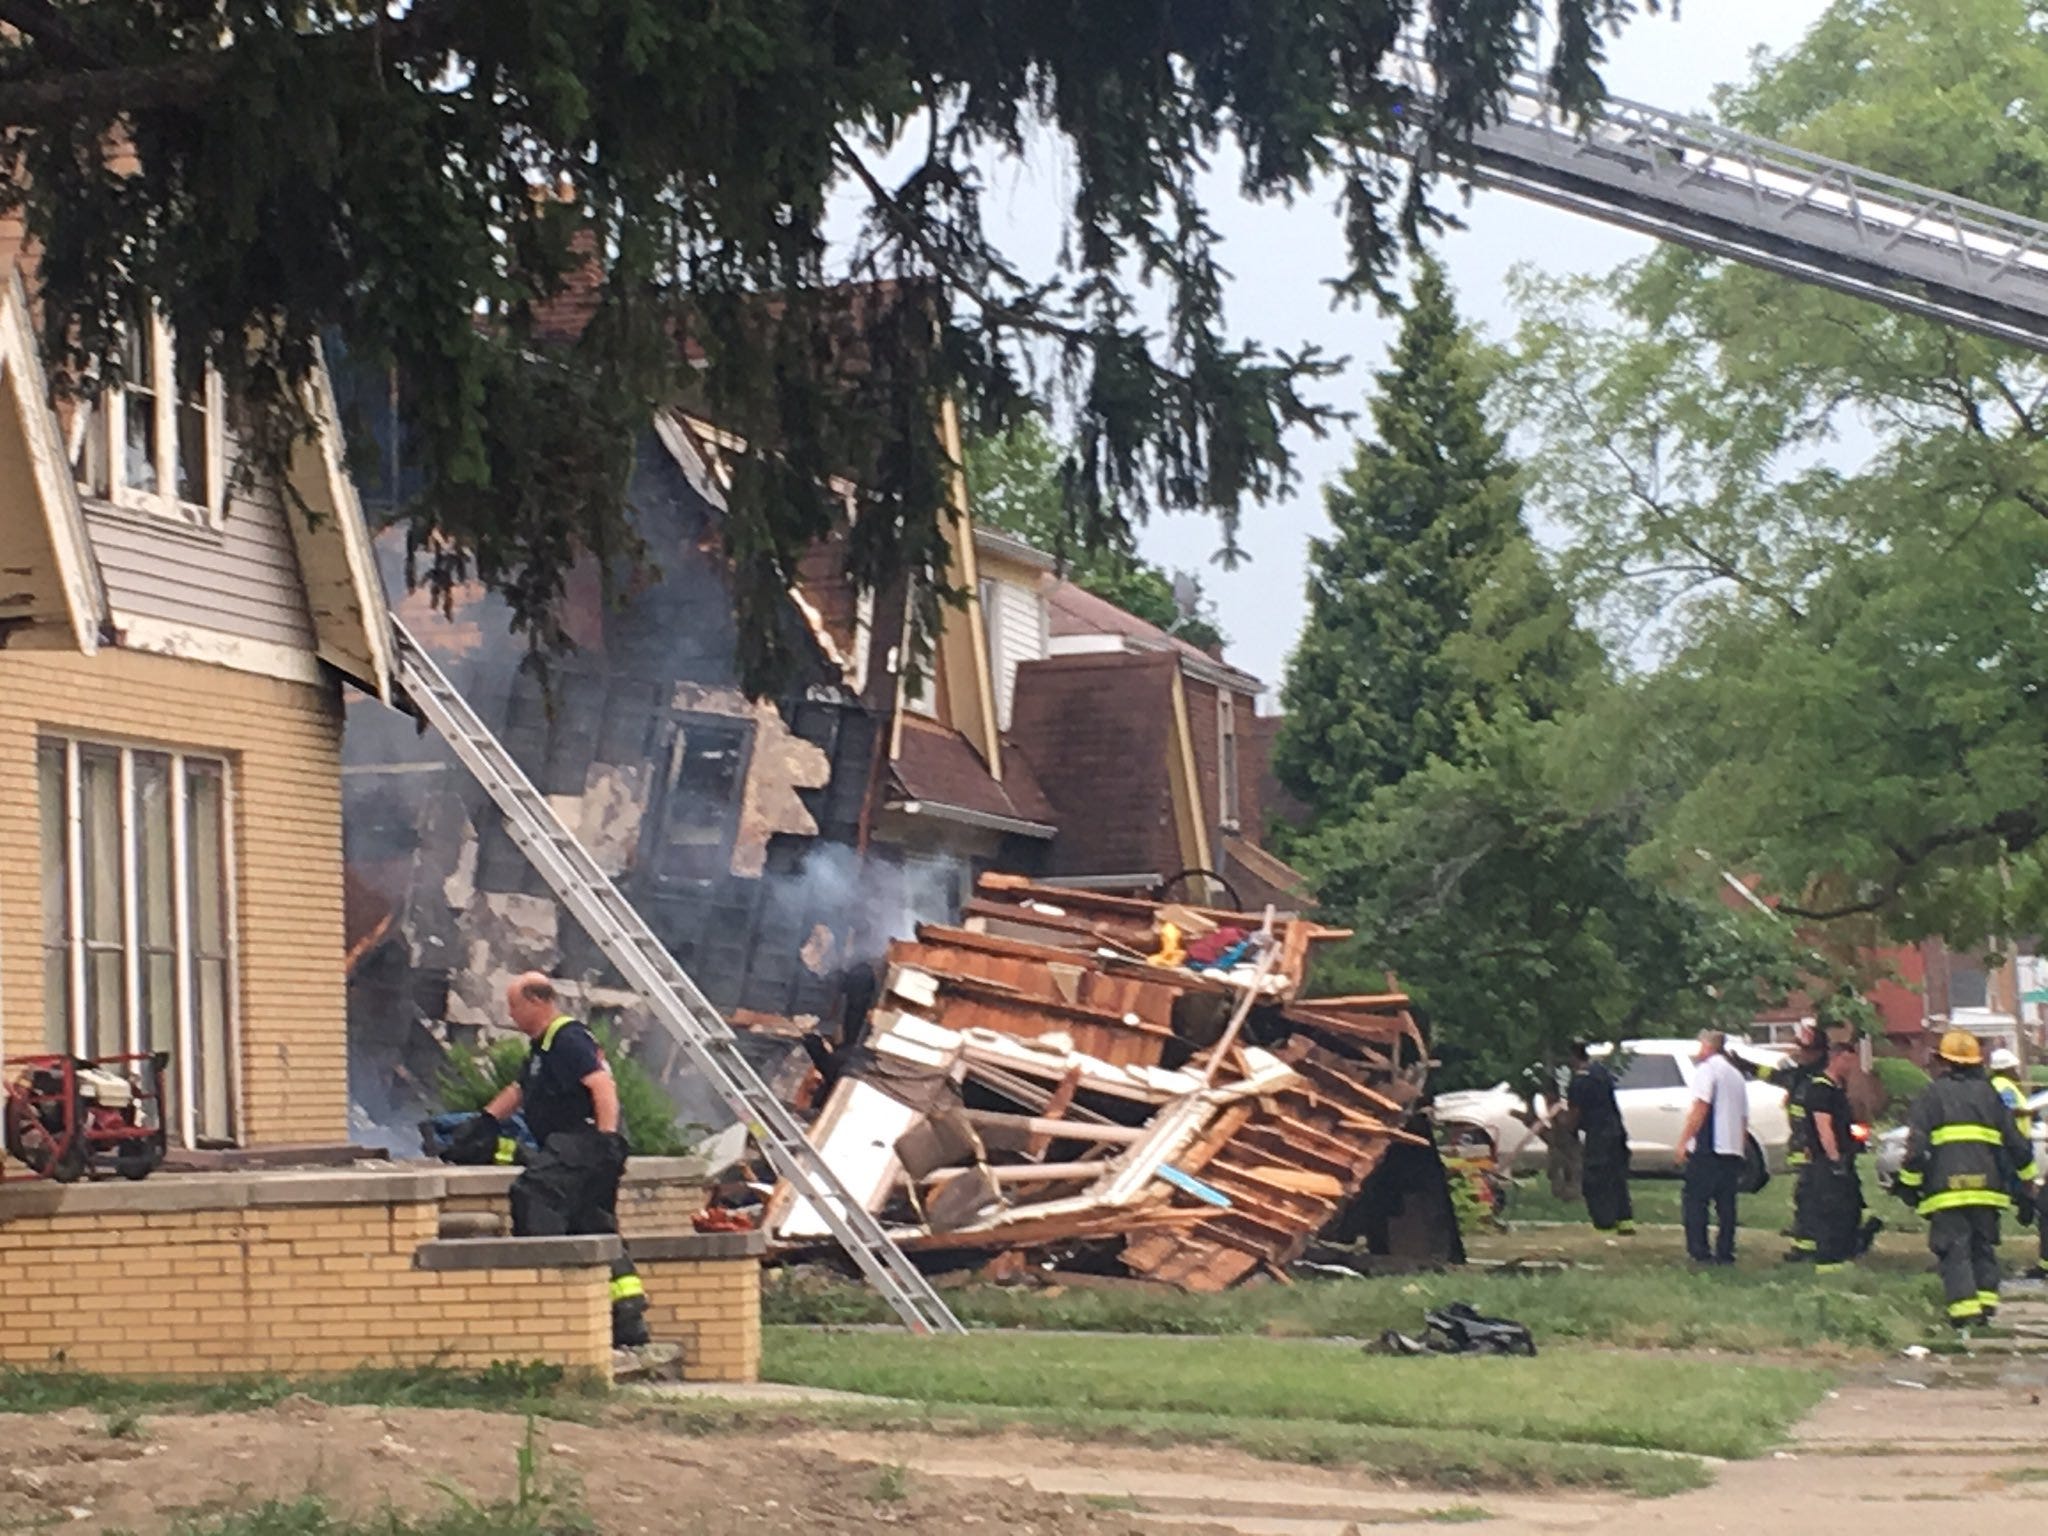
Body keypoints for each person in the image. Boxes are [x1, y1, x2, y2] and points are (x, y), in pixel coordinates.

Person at [478, 973, 650, 1347]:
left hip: (584, 1140)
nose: (510, 1014)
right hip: (572, 1143)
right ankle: (627, 1314)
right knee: (589, 1221)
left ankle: (548, 1287)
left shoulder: (568, 1038)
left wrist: (606, 1139)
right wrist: (485, 1120)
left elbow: (602, 1086)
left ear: (537, 1002)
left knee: (534, 1194)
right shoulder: (542, 1048)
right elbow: (521, 1090)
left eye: (514, 1005)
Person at [1896, 1031, 2039, 1332]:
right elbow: (2017, 1144)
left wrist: (1908, 1184)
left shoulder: (1931, 1096)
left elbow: (1916, 1148)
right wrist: (2028, 1185)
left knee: (1955, 1249)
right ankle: (1985, 1307)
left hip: (1946, 1193)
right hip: (1987, 1191)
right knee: (1983, 1247)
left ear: (1943, 1061)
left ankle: (1964, 1315)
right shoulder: (1991, 1096)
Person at [1675, 1030, 1749, 1266]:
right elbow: (1743, 1118)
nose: (1699, 1050)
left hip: (1710, 1146)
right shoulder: (1736, 1075)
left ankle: (1699, 1251)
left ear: (1708, 1046)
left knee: (1695, 1199)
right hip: (1732, 1148)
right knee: (1726, 1204)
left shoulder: (1707, 1070)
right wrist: (1741, 1145)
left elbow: (1701, 1107)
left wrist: (1684, 1141)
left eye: (1701, 1045)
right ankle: (1725, 1251)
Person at [1758, 1025, 1824, 1262]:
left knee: (1811, 1199)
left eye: (1804, 1049)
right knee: (1805, 1197)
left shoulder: (1819, 1079)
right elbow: (1774, 1076)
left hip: (1815, 1153)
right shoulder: (1801, 1075)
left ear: (1817, 1051)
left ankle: (1807, 1248)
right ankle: (1806, 1242)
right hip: (1803, 1151)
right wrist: (1743, 1065)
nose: (1799, 1053)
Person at [1986, 1047, 2048, 1284]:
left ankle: (2026, 1204)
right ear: (2007, 1068)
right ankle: (2025, 1203)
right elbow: (2011, 1113)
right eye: (2014, 1067)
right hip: (2011, 1148)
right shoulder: (2004, 1086)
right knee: (2029, 1196)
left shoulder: (2002, 1086)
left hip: (2014, 1147)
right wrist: (2030, 1111)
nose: (2018, 1072)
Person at [1804, 1041, 1865, 1272]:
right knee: (1831, 1208)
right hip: (1828, 1162)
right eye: (1848, 1061)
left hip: (1844, 1157)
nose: (1851, 1067)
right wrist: (1834, 1159)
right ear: (1837, 1058)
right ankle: (1828, 1258)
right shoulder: (1821, 1088)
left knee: (1848, 1207)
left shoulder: (1838, 1088)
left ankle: (1845, 1251)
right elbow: (1824, 1127)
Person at [1565, 1042, 1634, 1235]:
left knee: (1595, 1180)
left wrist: (1569, 1130)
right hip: (1617, 1132)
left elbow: (1575, 1113)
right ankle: (1625, 1220)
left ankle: (1605, 1222)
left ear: (1572, 1058)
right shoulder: (1601, 1072)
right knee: (1617, 1177)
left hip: (1598, 1136)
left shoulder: (1579, 1082)